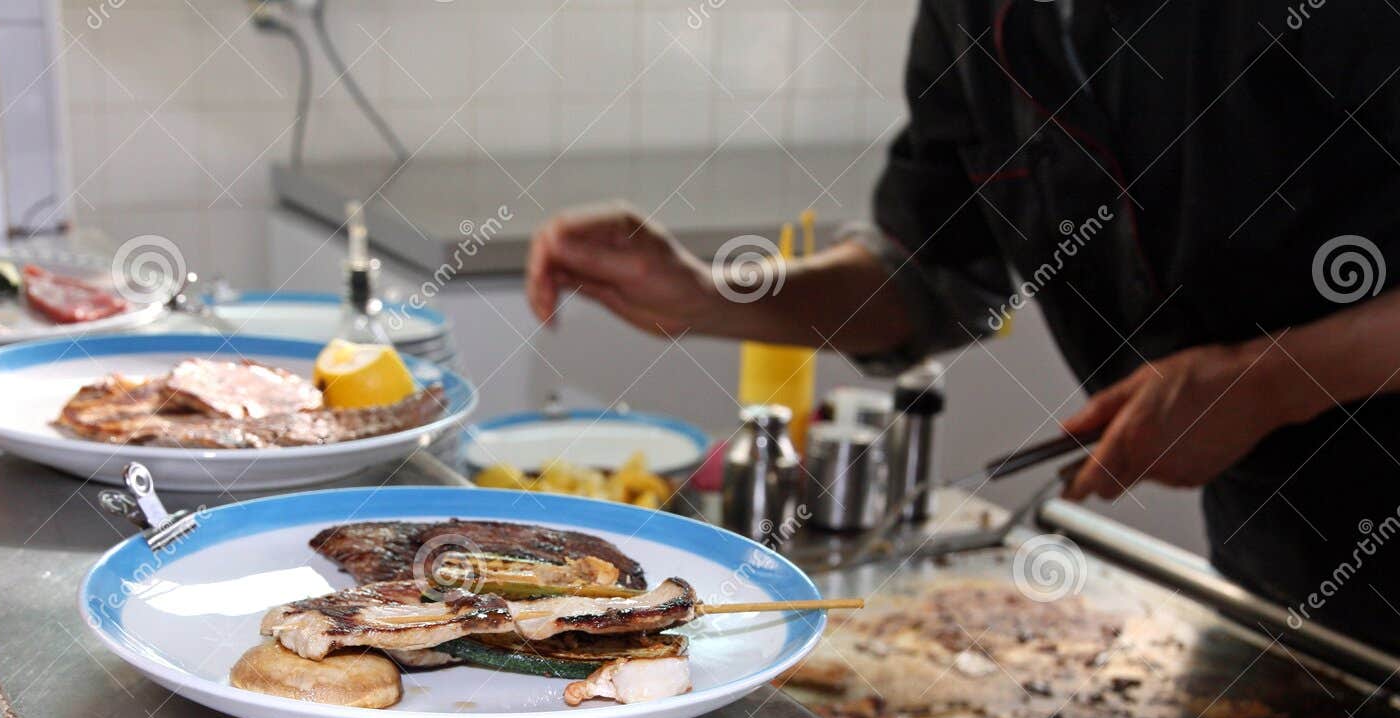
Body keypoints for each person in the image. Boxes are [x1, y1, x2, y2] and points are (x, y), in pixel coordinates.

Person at [523, 1, 1400, 654]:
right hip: (1278, 570)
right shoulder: (977, 19)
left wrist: (1273, 380)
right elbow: (930, 271)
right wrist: (712, 296)